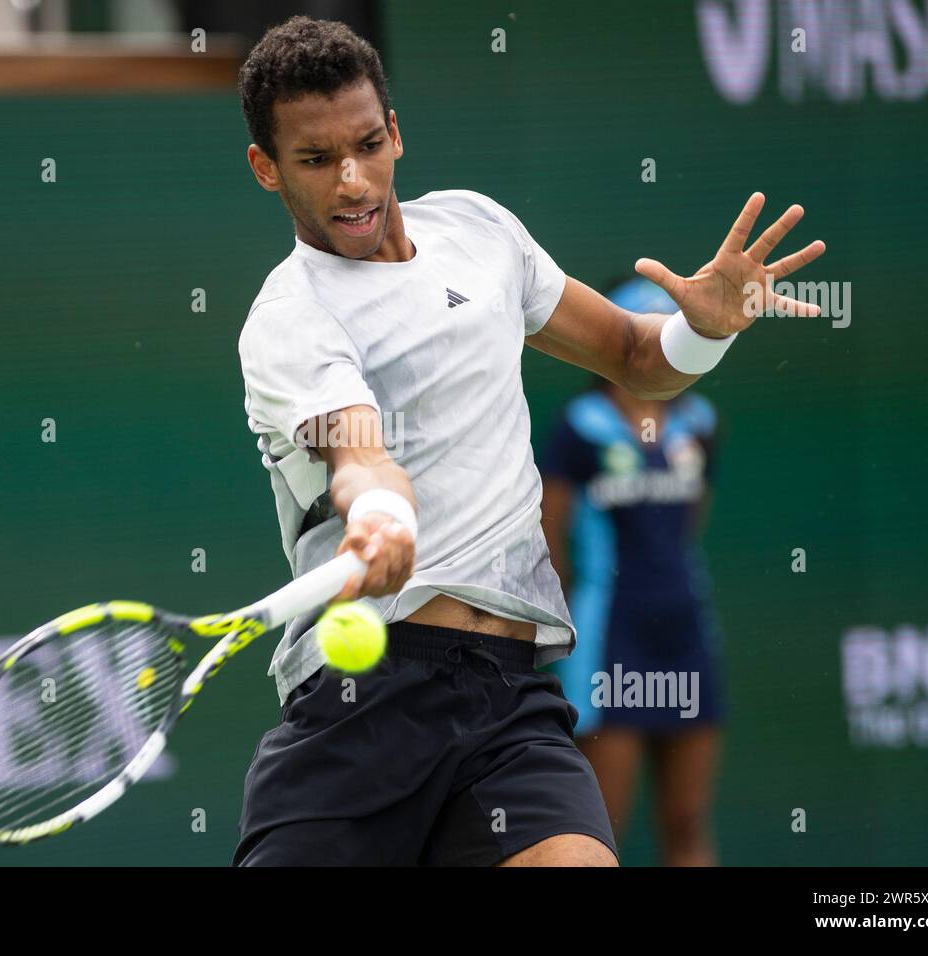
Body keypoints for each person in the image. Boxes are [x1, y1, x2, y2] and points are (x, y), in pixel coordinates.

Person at [232, 16, 824, 866]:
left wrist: (704, 331)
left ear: (395, 131)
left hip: (507, 696)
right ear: (267, 168)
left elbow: (629, 353)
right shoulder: (290, 316)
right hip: (363, 707)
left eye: (367, 144)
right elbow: (360, 452)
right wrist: (382, 515)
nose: (354, 181)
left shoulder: (479, 231)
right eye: (316, 161)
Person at [540, 276, 724, 866]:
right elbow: (551, 531)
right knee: (602, 829)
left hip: (687, 632)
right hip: (608, 639)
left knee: (688, 819)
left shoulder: (700, 423)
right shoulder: (580, 426)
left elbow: (688, 525)